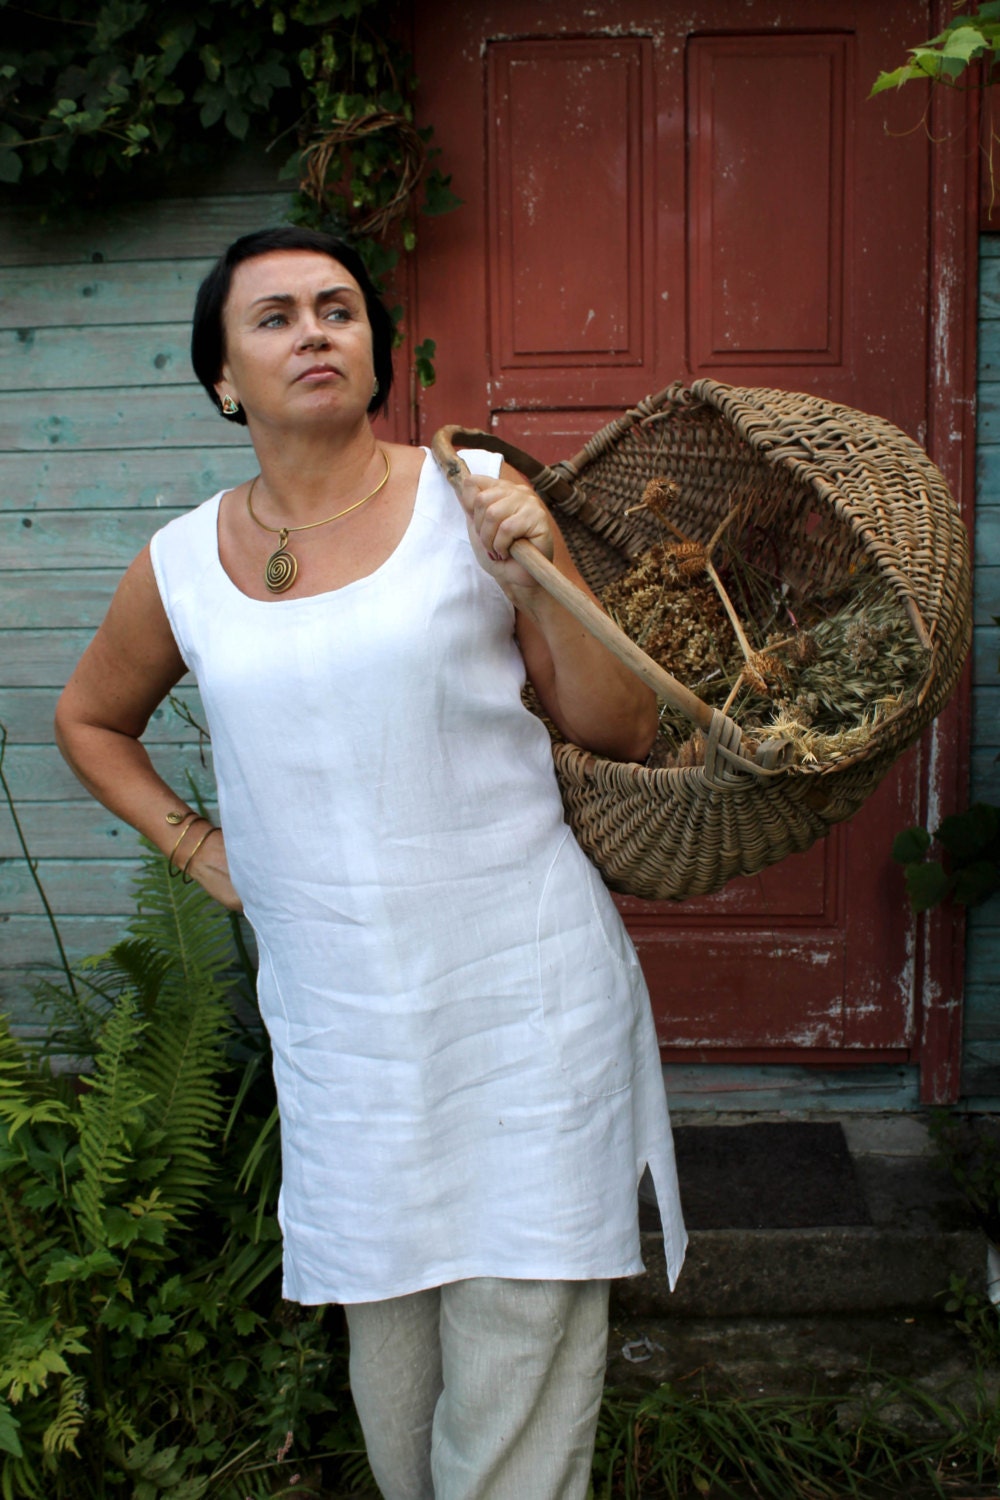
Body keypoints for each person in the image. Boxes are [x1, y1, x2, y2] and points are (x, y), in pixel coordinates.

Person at [54, 226, 687, 1500]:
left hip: (523, 996)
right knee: (394, 1383)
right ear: (223, 375)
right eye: (275, 316)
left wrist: (540, 557)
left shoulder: (474, 496)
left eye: (337, 309)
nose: (313, 332)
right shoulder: (181, 564)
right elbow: (89, 721)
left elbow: (622, 727)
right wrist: (204, 850)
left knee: (515, 1365)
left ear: (375, 351)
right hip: (343, 1027)